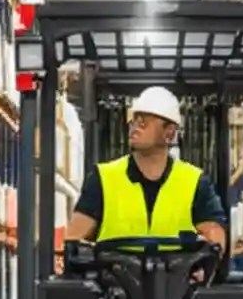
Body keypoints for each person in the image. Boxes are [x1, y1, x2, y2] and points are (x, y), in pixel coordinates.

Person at [64, 86, 228, 253]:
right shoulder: (103, 178)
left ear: (169, 133)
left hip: (175, 278)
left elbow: (214, 237)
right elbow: (74, 239)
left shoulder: (195, 182)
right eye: (134, 120)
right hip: (114, 277)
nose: (136, 126)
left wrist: (204, 264)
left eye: (144, 122)